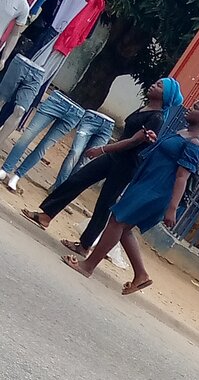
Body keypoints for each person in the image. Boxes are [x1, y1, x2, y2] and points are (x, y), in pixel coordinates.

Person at [61, 99, 199, 295]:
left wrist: (172, 208)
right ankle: (141, 275)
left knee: (117, 220)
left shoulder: (195, 144)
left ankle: (88, 266)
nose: (189, 109)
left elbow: (182, 176)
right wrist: (154, 140)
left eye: (195, 108)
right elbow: (166, 154)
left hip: (156, 191)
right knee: (124, 228)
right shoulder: (184, 134)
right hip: (147, 183)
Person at [21, 77, 184, 255]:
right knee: (78, 179)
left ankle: (85, 245)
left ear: (165, 95)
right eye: (156, 82)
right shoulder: (145, 108)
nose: (153, 84)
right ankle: (47, 215)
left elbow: (133, 141)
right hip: (115, 156)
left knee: (105, 204)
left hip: (126, 164)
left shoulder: (156, 118)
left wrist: (102, 149)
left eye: (159, 86)